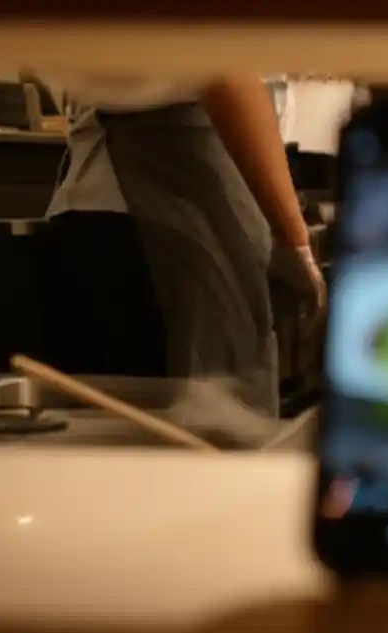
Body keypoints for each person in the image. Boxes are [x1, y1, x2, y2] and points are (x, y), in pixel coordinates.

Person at [40, 75, 326, 416]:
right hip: (163, 223)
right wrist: (296, 243)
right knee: (202, 427)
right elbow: (228, 79)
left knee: (112, 434)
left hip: (86, 214)